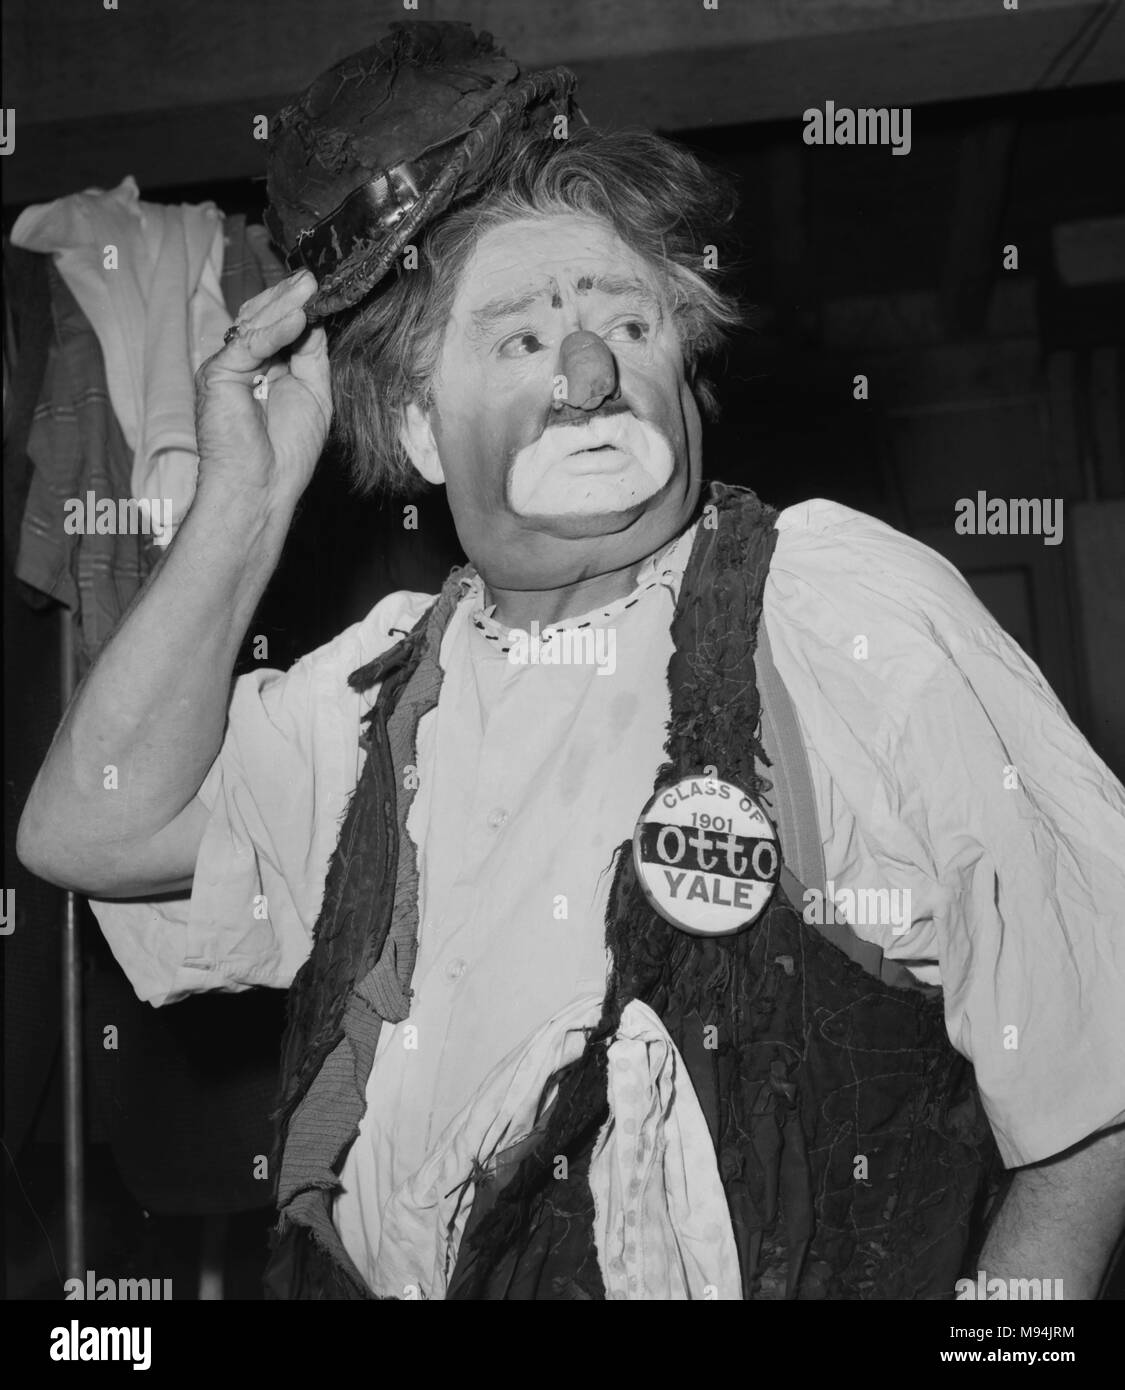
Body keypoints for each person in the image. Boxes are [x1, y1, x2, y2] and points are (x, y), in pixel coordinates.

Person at [18, 23, 1125, 1301]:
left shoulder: (830, 607)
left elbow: (1096, 1092)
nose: (590, 373)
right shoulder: (381, 690)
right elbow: (85, 832)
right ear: (422, 432)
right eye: (519, 341)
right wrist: (243, 500)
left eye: (630, 325)